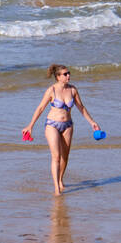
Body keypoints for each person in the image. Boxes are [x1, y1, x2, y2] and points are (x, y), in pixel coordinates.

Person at [23, 64, 101, 195]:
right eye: (65, 74)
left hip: (68, 125)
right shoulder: (51, 90)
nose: (68, 76)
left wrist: (92, 122)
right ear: (58, 77)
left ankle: (60, 180)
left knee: (65, 156)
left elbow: (81, 107)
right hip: (52, 125)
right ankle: (56, 189)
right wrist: (30, 125)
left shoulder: (73, 90)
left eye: (69, 73)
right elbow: (40, 108)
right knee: (56, 157)